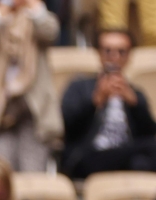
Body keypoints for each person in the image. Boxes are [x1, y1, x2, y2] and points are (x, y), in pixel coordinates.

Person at [0, 0, 62, 173]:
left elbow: (51, 31)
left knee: (32, 177)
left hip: (33, 114)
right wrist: (3, 9)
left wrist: (32, 5)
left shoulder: (37, 16)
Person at [61, 28, 156, 178]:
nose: (114, 57)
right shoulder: (79, 86)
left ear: (129, 56)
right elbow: (67, 127)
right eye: (108, 51)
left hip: (127, 156)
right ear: (98, 53)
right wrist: (95, 101)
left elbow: (148, 134)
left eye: (121, 52)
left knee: (140, 163)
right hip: (88, 156)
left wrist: (135, 104)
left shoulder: (135, 93)